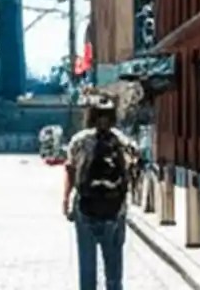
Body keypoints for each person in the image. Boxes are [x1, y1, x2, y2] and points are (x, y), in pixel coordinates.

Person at [63, 94, 136, 290]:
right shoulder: (123, 142)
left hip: (85, 209)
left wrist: (66, 200)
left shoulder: (79, 141)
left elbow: (70, 171)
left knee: (87, 267)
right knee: (114, 269)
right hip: (115, 210)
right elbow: (130, 173)